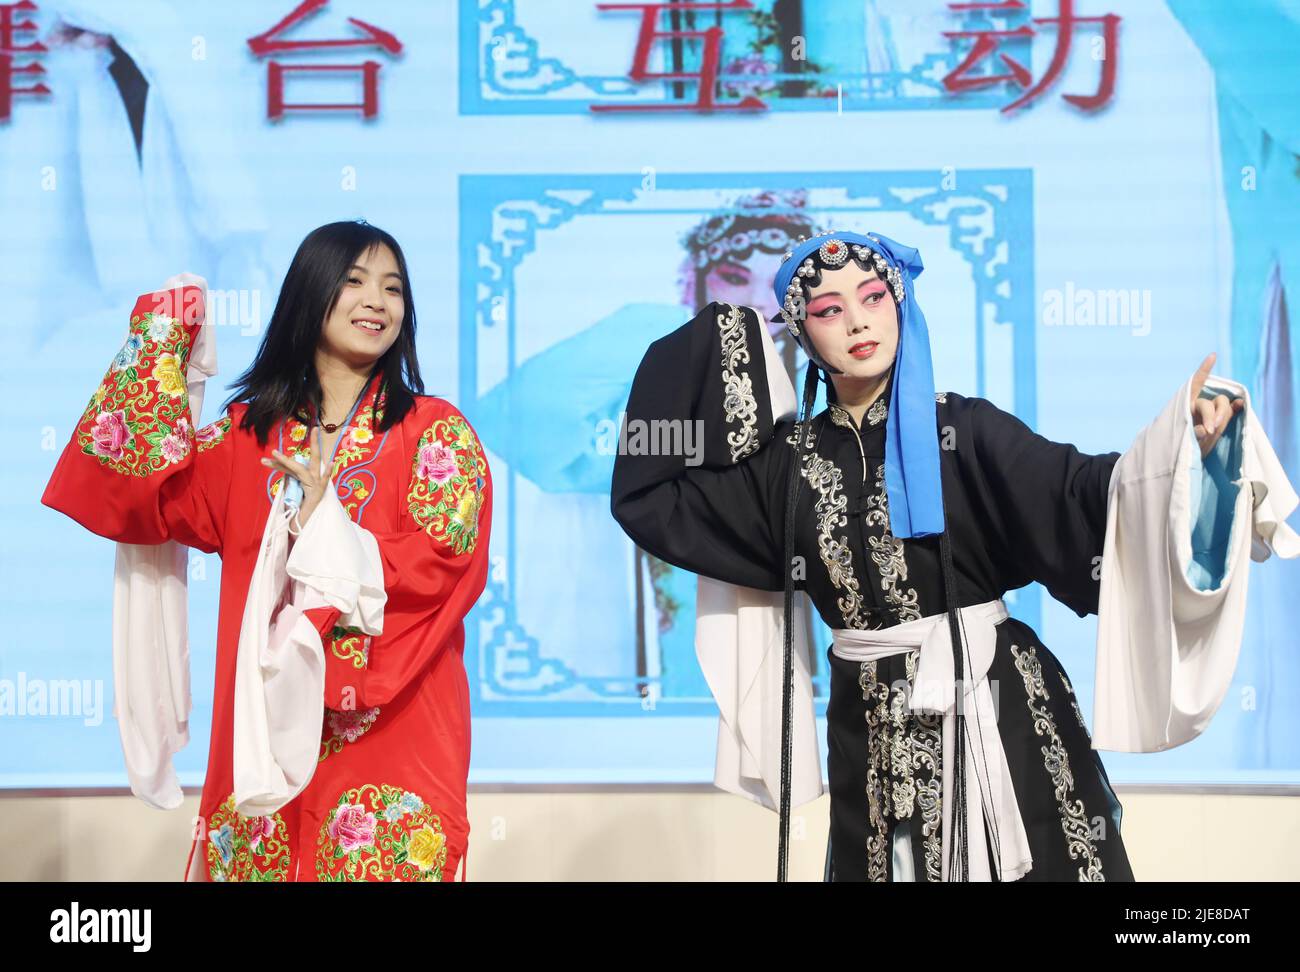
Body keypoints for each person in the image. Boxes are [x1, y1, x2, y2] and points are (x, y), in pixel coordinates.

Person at [611, 230, 1298, 881]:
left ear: (900, 304)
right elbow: (653, 498)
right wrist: (718, 338)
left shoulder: (963, 429)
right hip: (869, 726)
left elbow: (1086, 495)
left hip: (997, 707)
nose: (857, 322)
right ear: (803, 333)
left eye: (874, 298)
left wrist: (1188, 452)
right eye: (829, 309)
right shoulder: (786, 471)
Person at [41, 220, 492, 882]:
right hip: (259, 733)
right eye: (355, 281)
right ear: (310, 296)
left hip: (392, 735)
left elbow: (444, 567)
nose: (378, 302)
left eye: (393, 288)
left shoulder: (434, 433)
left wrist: (324, 527)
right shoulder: (247, 436)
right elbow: (136, 495)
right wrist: (161, 343)